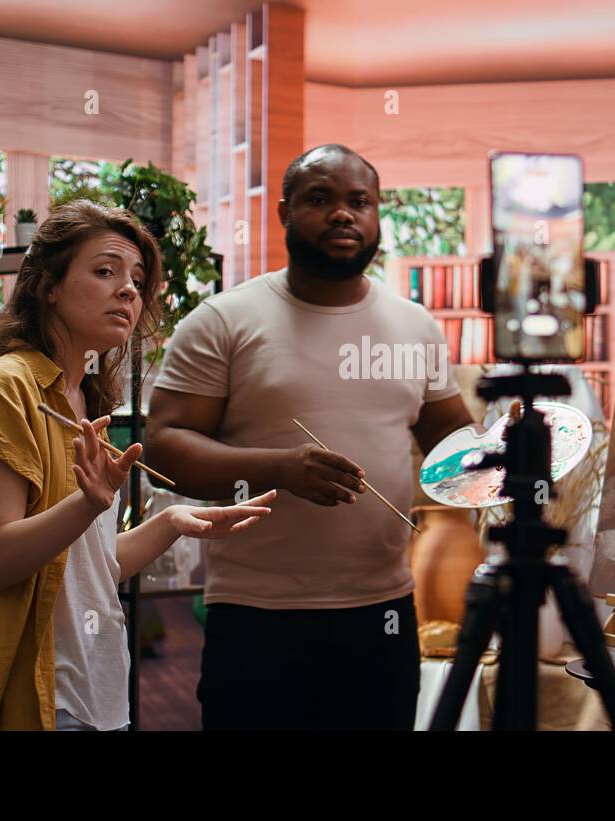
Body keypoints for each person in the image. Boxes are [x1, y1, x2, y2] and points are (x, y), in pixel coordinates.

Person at [146, 145, 476, 730]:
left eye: (359, 202)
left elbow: (450, 436)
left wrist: (508, 444)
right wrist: (278, 468)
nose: (342, 215)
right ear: (284, 212)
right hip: (257, 612)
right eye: (320, 199)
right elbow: (167, 447)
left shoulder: (414, 325)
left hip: (383, 610)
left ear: (377, 215)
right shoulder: (225, 320)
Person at [0, 200, 273, 731]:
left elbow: (86, 566)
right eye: (104, 271)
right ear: (48, 285)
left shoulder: (84, 400)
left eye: (138, 279)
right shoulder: (3, 386)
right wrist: (90, 501)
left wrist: (169, 526)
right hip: (39, 695)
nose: (129, 290)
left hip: (100, 693)